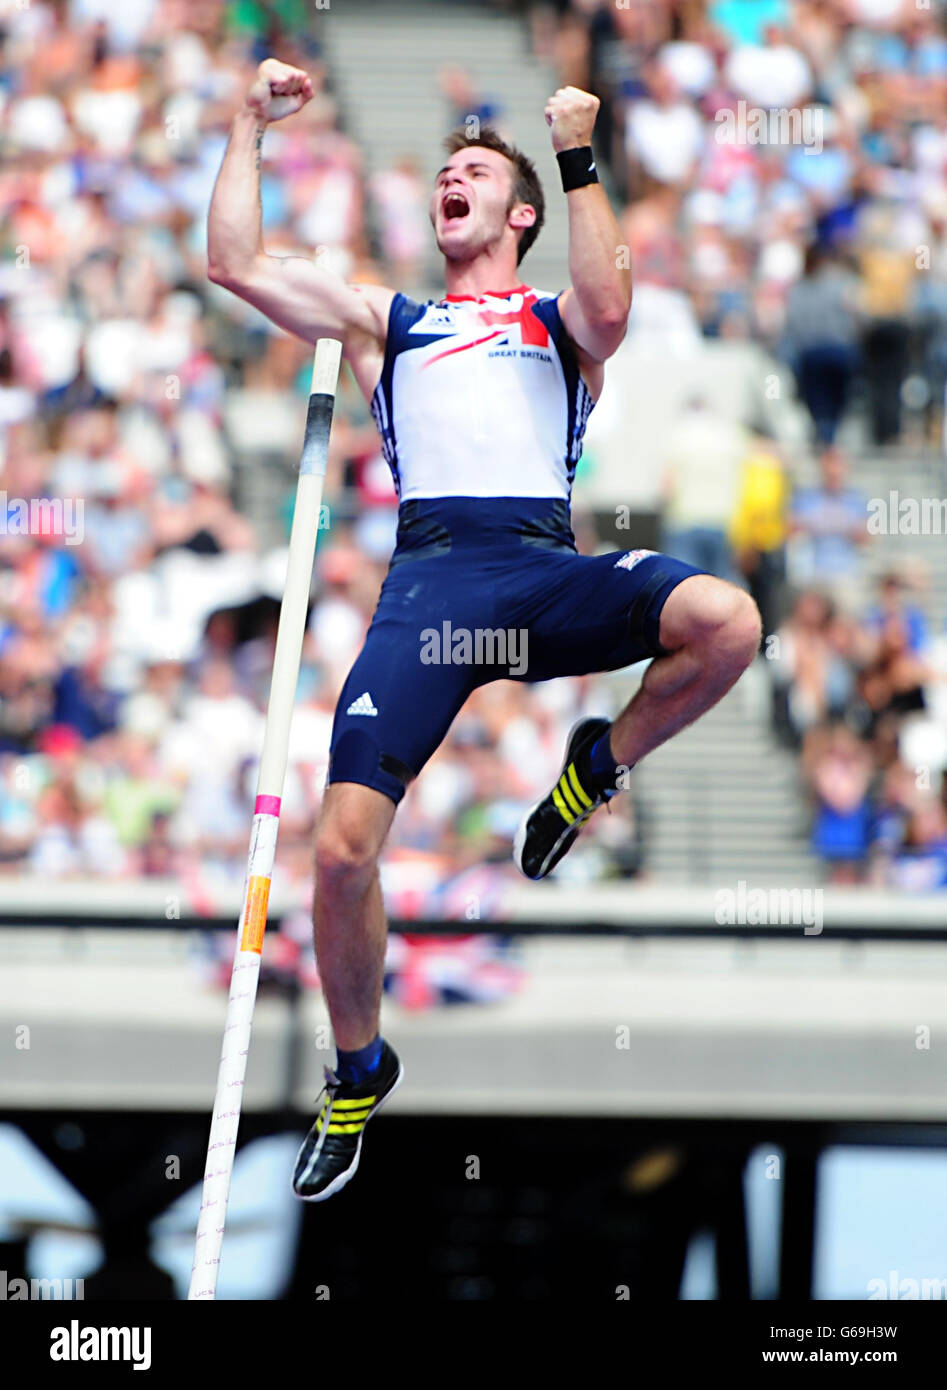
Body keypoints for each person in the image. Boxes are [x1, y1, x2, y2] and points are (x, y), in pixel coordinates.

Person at [207, 58, 761, 1203]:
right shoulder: (386, 320)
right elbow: (234, 263)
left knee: (725, 621)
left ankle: (592, 770)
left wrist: (573, 155)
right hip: (431, 588)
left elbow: (610, 308)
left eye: (475, 173)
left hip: (540, 569)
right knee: (342, 852)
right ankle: (358, 1068)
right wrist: (244, 128)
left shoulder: (557, 322)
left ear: (519, 215)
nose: (448, 177)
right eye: (443, 170)